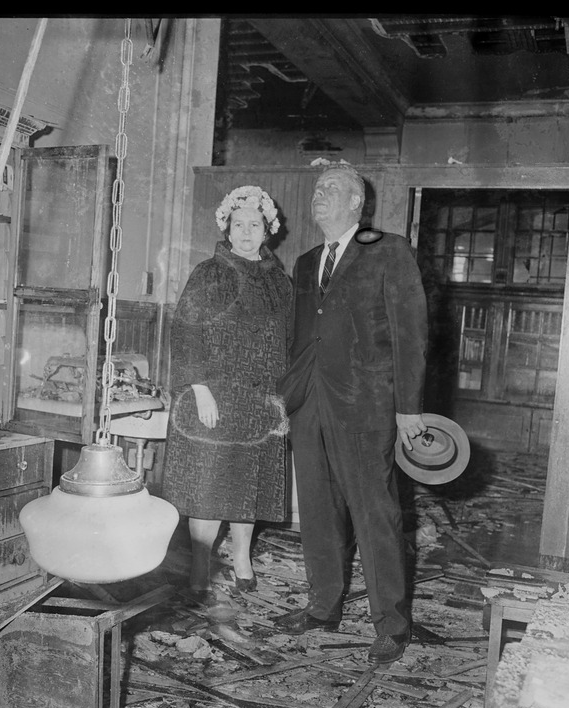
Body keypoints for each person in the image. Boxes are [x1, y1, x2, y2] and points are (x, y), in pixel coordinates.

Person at [276, 163, 429, 664]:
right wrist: (287, 396)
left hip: (366, 405)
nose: (318, 196)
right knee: (317, 511)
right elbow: (299, 339)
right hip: (310, 403)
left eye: (331, 190)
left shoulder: (389, 251)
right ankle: (324, 606)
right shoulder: (304, 263)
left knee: (374, 513)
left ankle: (393, 624)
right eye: (316, 188)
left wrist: (408, 409)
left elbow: (411, 336)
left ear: (357, 203)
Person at [161, 185, 293, 606]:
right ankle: (200, 565)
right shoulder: (208, 273)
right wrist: (199, 389)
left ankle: (241, 561)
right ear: (227, 227)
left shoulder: (279, 281)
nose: (246, 232)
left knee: (246, 484)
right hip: (212, 397)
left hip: (259, 399)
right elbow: (185, 330)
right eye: (239, 224)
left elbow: (290, 339)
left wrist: (281, 398)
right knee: (210, 485)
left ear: (268, 230)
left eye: (255, 224)